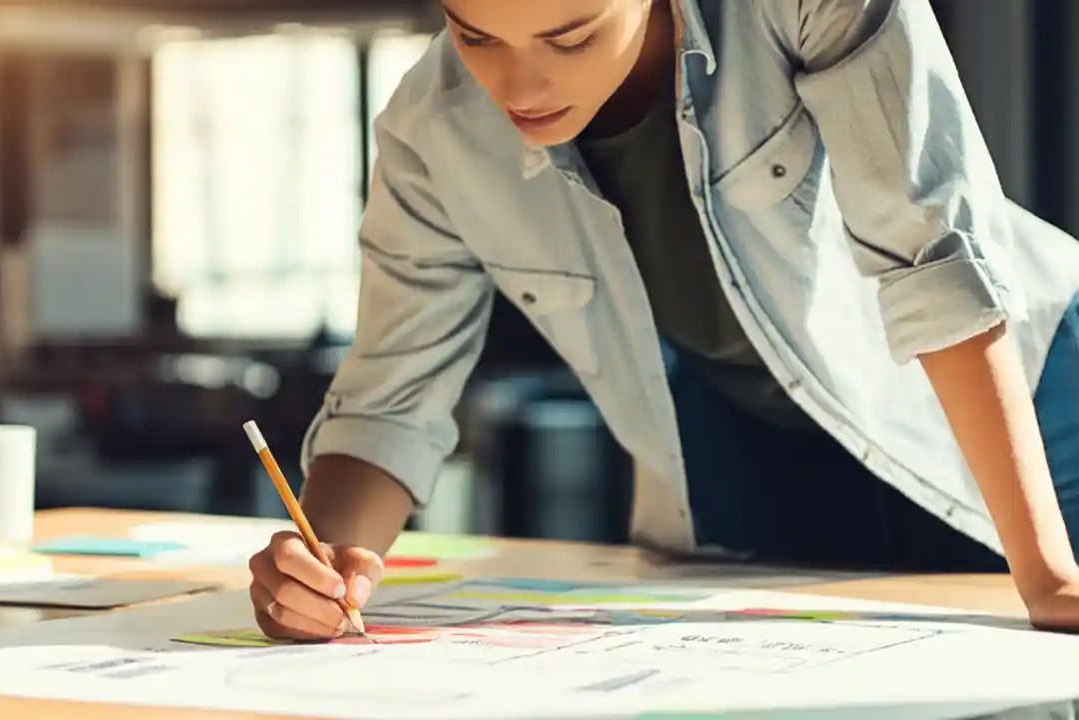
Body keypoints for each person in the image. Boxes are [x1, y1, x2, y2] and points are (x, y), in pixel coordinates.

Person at [246, 0, 1079, 640]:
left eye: (569, 39)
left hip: (1029, 401)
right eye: (475, 36)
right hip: (762, 445)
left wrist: (1046, 574)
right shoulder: (432, 130)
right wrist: (326, 573)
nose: (517, 86)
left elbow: (936, 262)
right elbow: (389, 401)